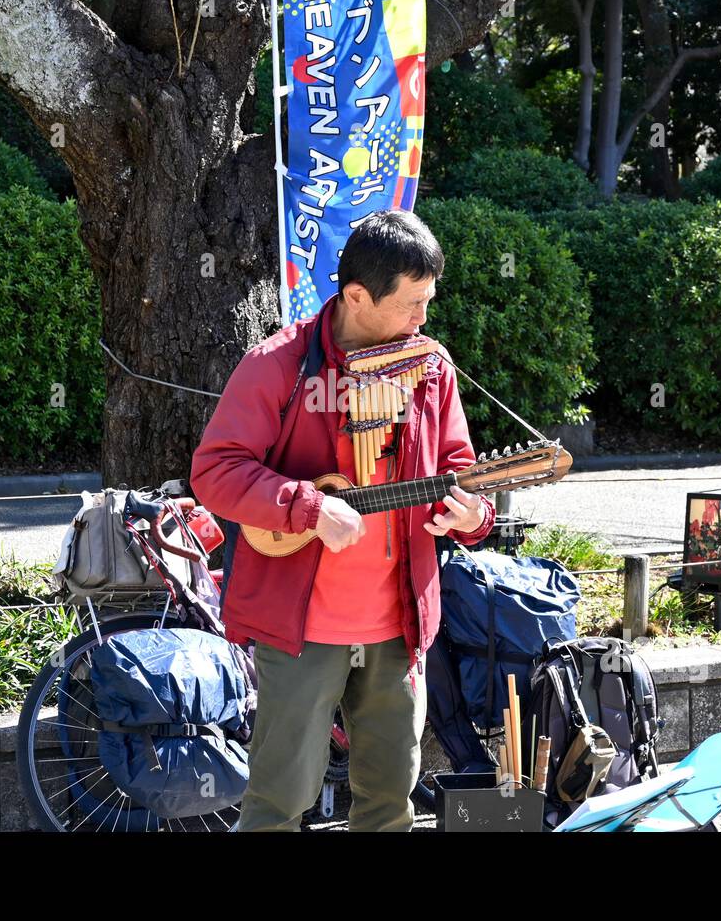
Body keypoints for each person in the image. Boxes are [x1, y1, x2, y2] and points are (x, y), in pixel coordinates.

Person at [189, 209, 495, 831]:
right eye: (412, 304)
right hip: (300, 628)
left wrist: (471, 515)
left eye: (428, 301)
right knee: (278, 802)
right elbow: (215, 470)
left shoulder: (431, 370)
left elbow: (458, 468)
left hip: (396, 625)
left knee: (390, 802)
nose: (423, 319)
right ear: (356, 295)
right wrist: (307, 506)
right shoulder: (277, 364)